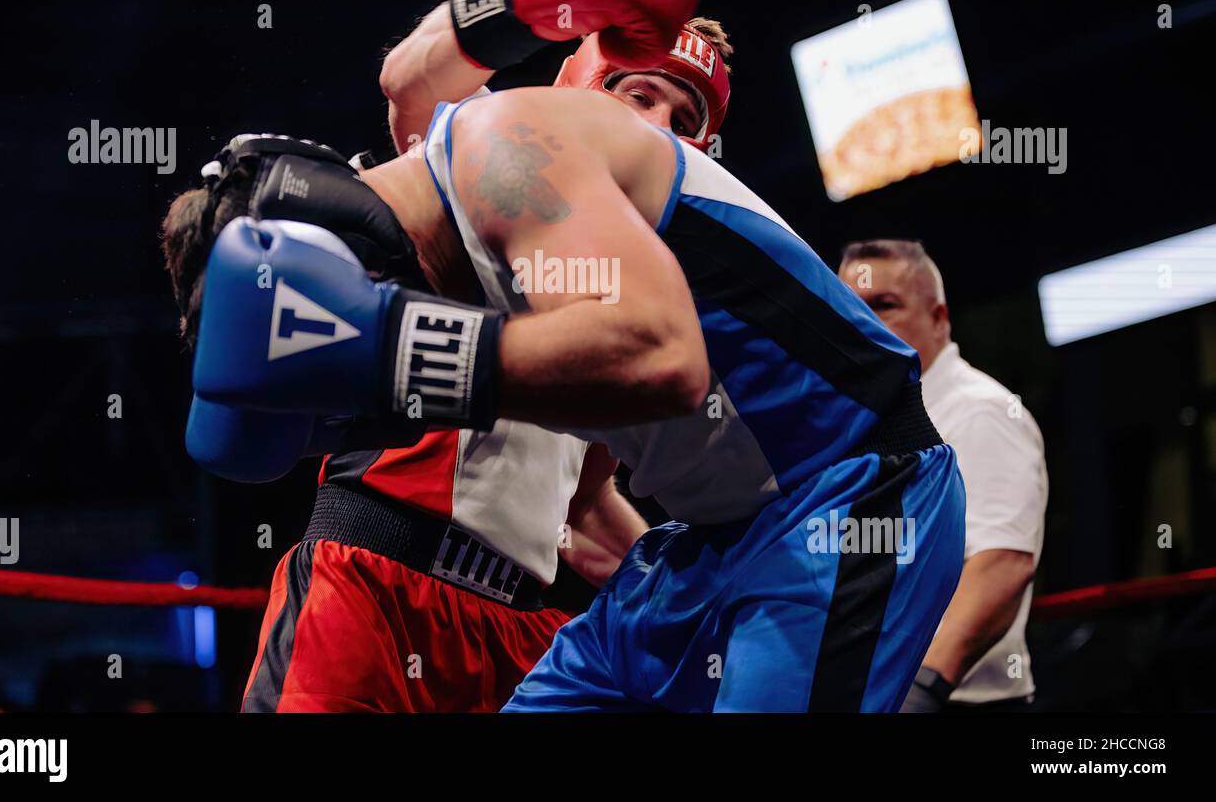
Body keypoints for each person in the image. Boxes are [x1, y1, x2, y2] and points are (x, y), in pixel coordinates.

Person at [175, 49, 966, 709]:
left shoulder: (624, 274)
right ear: (571, 81)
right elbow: (410, 88)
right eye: (639, 94)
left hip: (799, 511)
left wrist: (388, 350)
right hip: (384, 571)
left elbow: (611, 460)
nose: (655, 129)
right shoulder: (498, 146)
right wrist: (501, 1)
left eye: (687, 124)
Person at [838, 239, 1048, 711]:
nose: (862, 322)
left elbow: (1002, 564)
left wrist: (920, 689)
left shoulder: (981, 411)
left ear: (938, 317)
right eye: (848, 307)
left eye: (884, 305)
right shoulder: (867, 425)